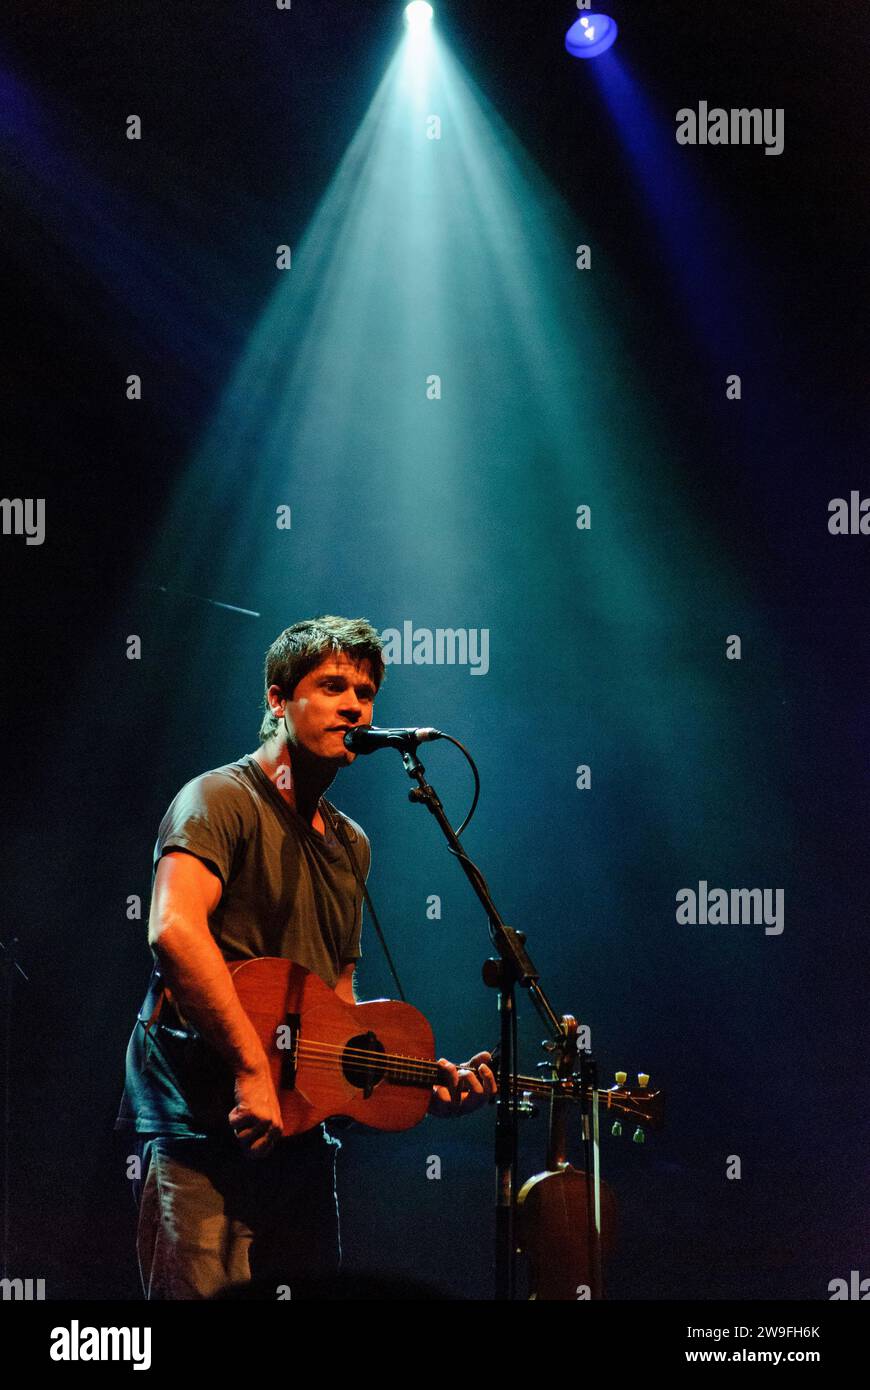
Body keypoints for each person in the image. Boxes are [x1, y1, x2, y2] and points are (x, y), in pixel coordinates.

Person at [115, 615, 496, 1299]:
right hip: (203, 1124)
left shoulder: (352, 845)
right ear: (277, 699)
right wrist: (251, 1069)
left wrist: (409, 1084)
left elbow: (335, 1004)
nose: (355, 705)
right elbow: (173, 931)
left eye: (366, 691)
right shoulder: (219, 799)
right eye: (331, 686)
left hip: (296, 1134)